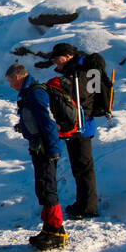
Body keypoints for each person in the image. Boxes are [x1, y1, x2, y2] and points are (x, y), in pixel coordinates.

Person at [5, 63, 67, 250]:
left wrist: (53, 150)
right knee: (42, 188)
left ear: (17, 76)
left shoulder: (36, 93)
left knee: (48, 188)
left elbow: (47, 123)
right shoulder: (28, 93)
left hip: (45, 150)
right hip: (38, 147)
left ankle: (57, 231)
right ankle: (48, 229)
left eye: (10, 81)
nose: (10, 85)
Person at [48, 42, 108, 219]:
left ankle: (88, 207)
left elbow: (82, 98)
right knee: (81, 167)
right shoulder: (82, 68)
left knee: (83, 167)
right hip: (81, 124)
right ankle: (83, 204)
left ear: (66, 56)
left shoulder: (78, 71)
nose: (54, 62)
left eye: (56, 58)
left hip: (80, 125)